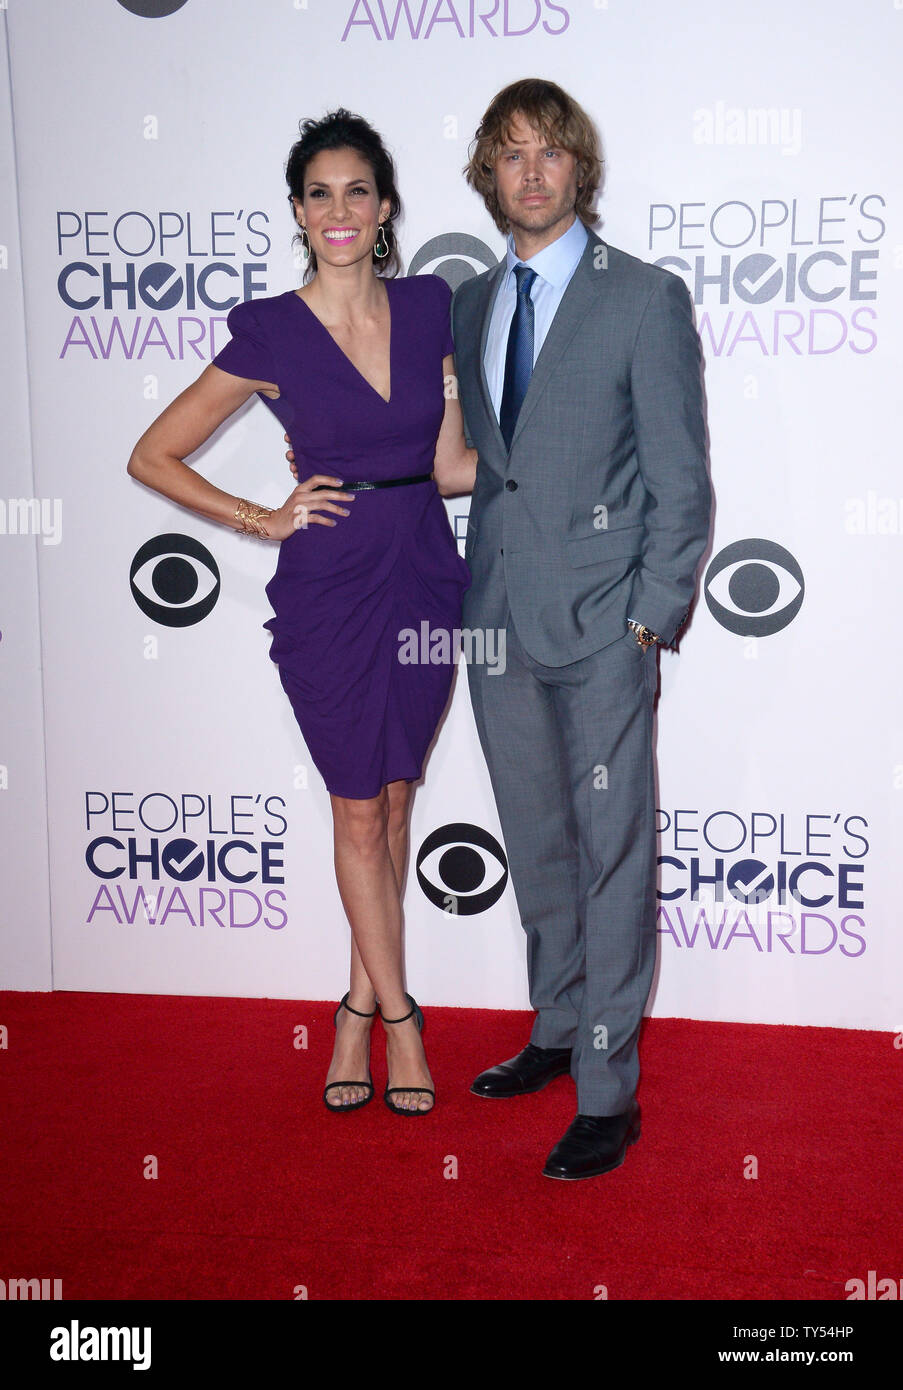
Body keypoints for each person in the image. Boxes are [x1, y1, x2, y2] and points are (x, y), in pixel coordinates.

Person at [127, 109, 475, 1117]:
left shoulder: (430, 307)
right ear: (297, 210)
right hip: (328, 585)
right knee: (357, 802)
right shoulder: (271, 328)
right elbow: (154, 453)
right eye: (318, 193)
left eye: (356, 190)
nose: (339, 210)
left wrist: (554, 466)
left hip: (422, 570)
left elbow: (450, 463)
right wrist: (258, 516)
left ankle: (355, 1007)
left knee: (399, 795)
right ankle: (400, 1020)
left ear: (385, 206)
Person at [452, 78, 712, 1178]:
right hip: (495, 623)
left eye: (551, 150)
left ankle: (609, 1088)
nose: (533, 170)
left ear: (579, 166)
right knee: (538, 843)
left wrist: (650, 621)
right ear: (490, 173)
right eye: (511, 154)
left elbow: (683, 482)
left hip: (607, 626)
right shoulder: (472, 304)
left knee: (612, 856)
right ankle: (556, 1029)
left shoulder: (643, 299)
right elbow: (484, 467)